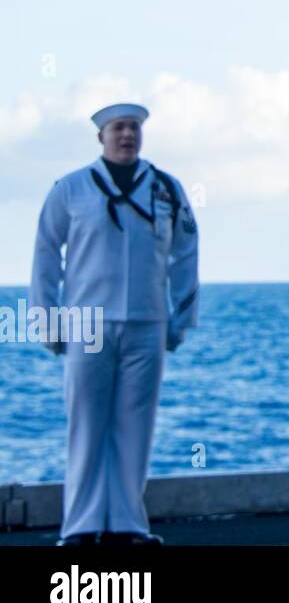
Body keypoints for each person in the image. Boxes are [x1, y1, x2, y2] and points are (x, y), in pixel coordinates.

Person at [30, 103, 200, 546]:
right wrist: (47, 321)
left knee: (135, 426)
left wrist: (182, 315)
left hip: (147, 320)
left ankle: (128, 524)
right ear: (101, 137)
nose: (128, 135)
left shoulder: (165, 188)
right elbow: (46, 255)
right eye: (119, 128)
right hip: (86, 321)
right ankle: (81, 527)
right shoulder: (70, 189)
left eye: (134, 128)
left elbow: (186, 250)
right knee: (86, 424)